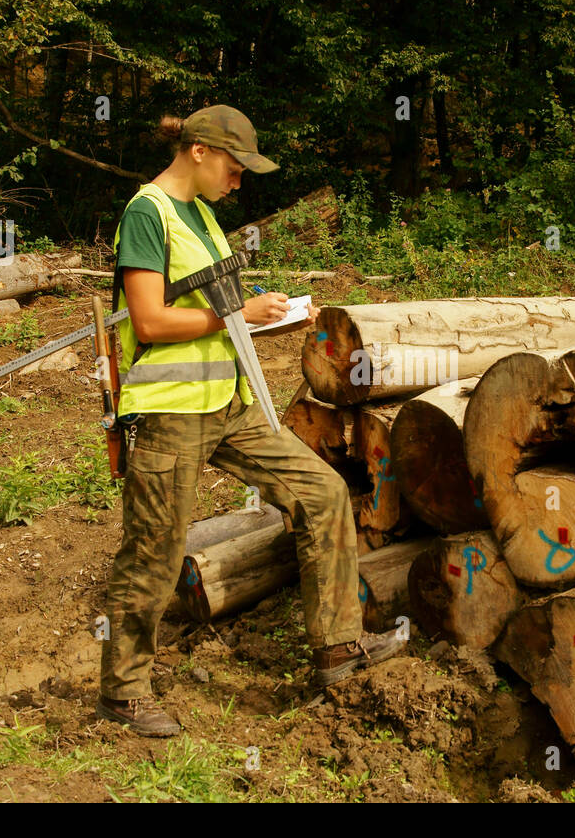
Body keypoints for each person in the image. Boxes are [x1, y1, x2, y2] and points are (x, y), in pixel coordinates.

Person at [97, 105, 405, 737]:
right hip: (172, 413)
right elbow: (150, 320)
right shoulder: (146, 214)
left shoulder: (203, 216)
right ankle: (122, 692)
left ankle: (337, 649)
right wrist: (233, 315)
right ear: (201, 152)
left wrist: (269, 312)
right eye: (236, 170)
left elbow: (214, 304)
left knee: (320, 493)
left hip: (230, 406)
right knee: (154, 552)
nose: (238, 184)